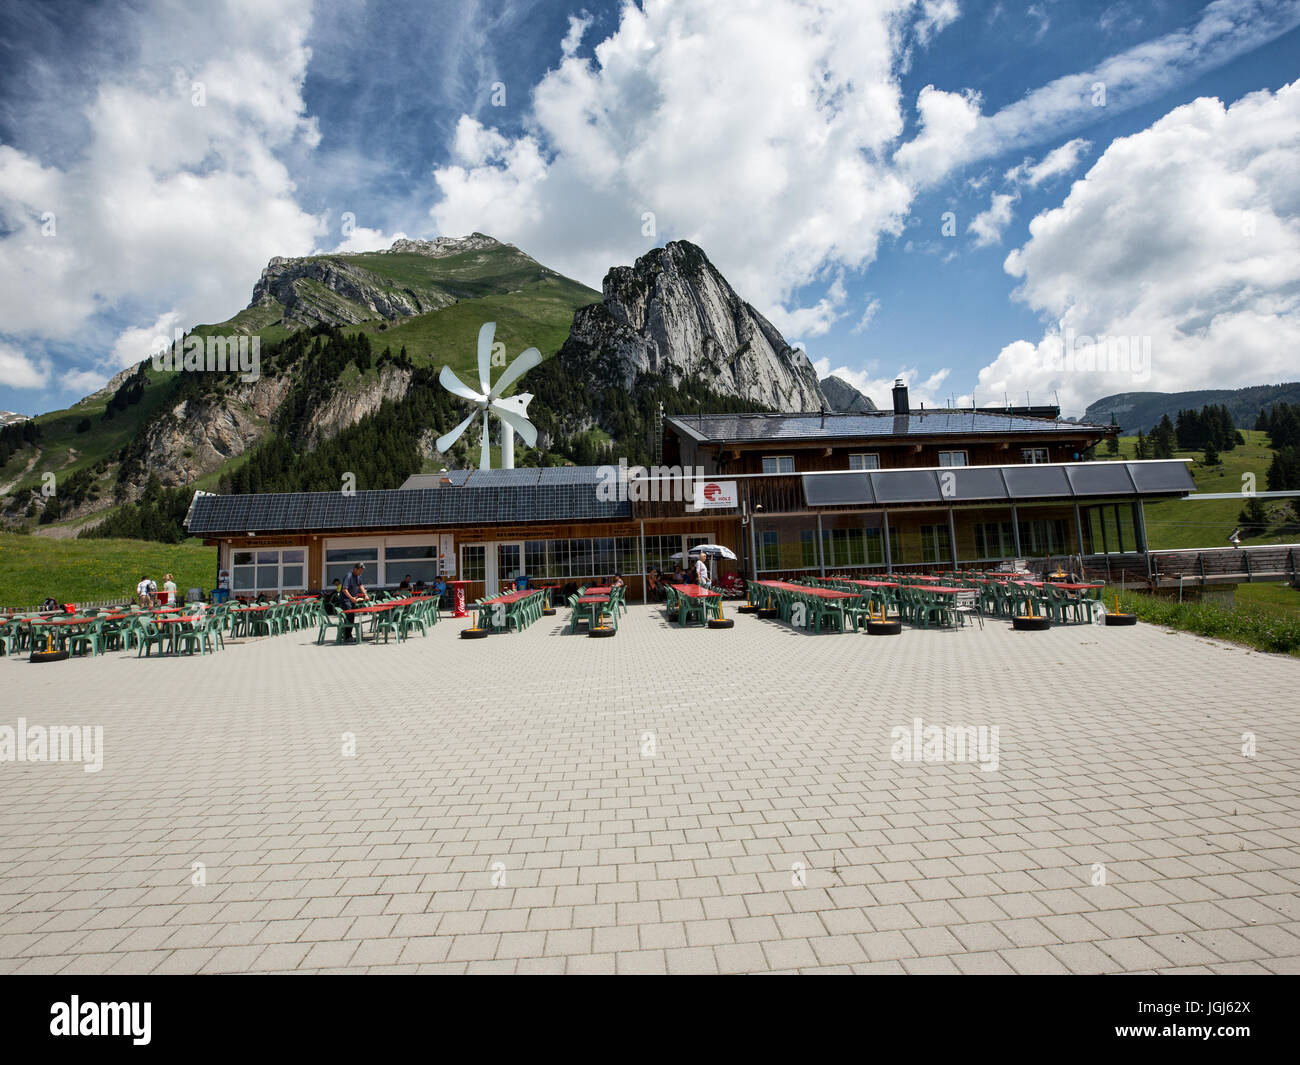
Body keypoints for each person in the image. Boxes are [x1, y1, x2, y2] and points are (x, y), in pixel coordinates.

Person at [339, 563, 369, 642]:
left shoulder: (358, 576)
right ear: (355, 569)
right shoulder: (348, 576)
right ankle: (347, 636)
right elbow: (344, 589)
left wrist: (365, 595)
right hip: (346, 599)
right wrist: (351, 598)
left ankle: (348, 635)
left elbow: (360, 585)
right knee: (349, 616)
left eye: (362, 571)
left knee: (352, 616)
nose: (361, 573)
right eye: (360, 571)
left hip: (353, 599)